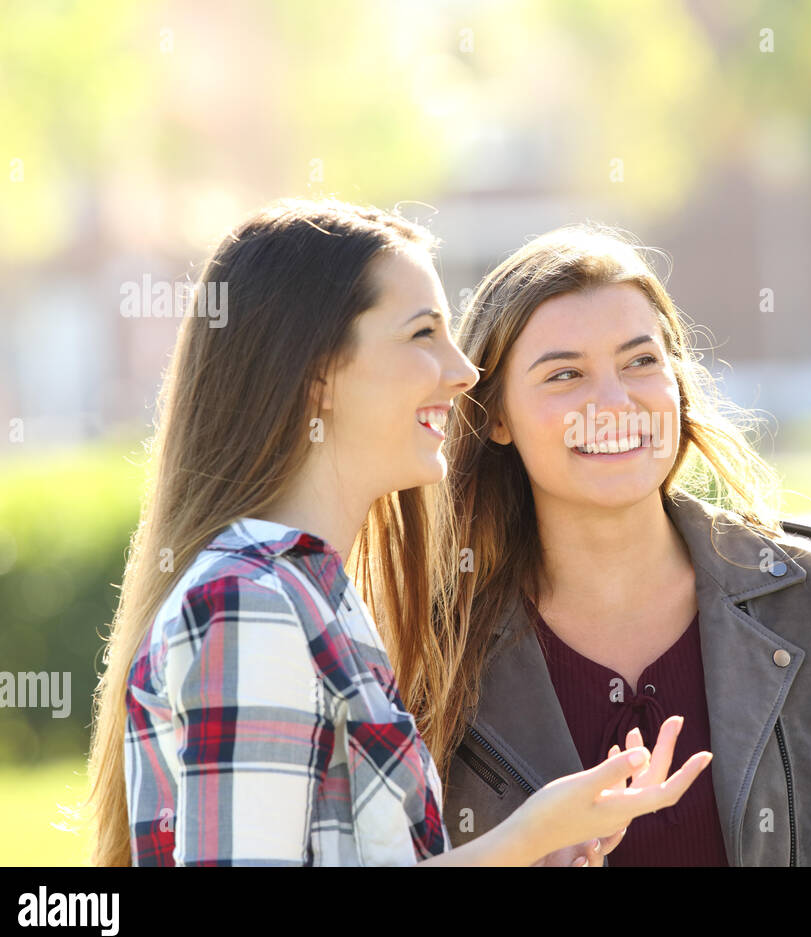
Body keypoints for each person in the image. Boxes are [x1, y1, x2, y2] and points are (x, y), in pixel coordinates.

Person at [85, 198, 710, 866]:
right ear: (319, 375)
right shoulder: (251, 605)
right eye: (422, 335)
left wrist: (534, 850)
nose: (464, 371)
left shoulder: (314, 597)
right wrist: (522, 836)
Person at [430, 224, 811, 866]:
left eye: (641, 361)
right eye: (564, 375)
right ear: (497, 415)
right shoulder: (439, 634)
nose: (613, 402)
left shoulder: (807, 593)